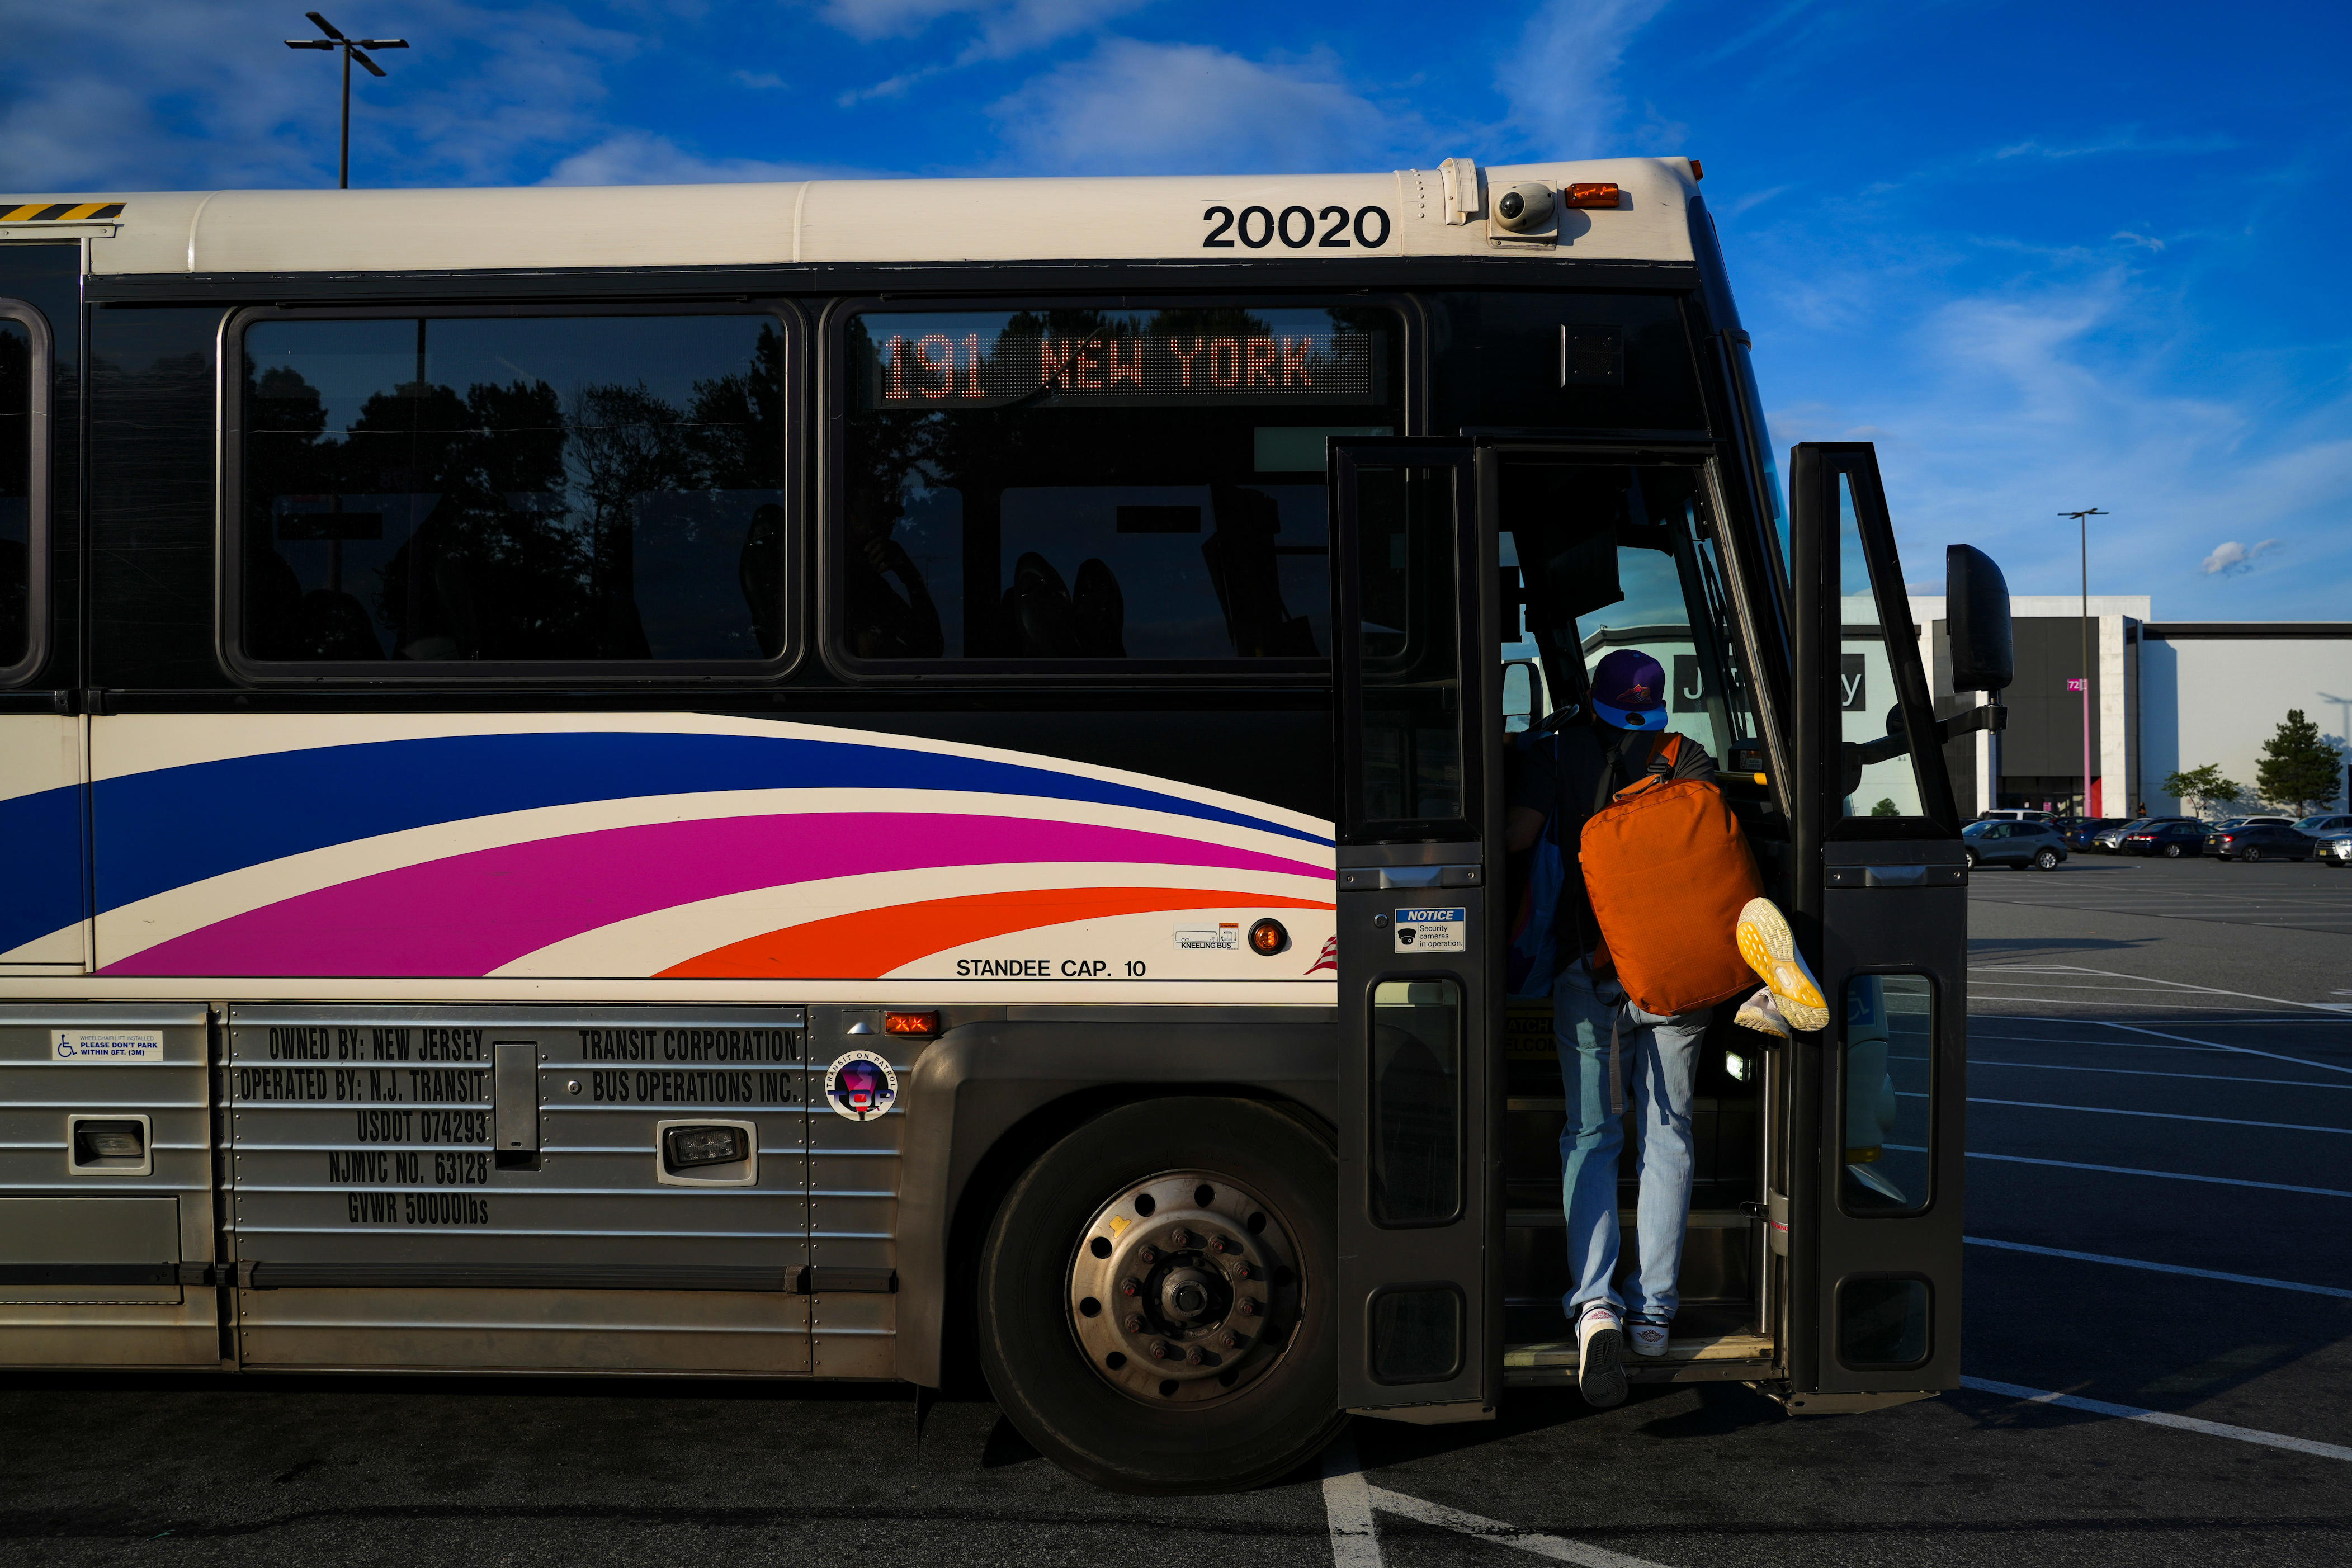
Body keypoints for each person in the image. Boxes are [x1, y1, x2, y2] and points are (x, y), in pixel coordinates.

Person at [1504, 648, 1719, 1409]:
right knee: (1668, 1132)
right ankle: (1654, 1312)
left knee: (1592, 1136)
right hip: (1673, 977)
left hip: (1585, 966)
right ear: (1653, 704)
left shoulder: (1554, 752)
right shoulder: (1683, 756)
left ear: (1592, 699)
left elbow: (1517, 839)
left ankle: (1594, 1303)